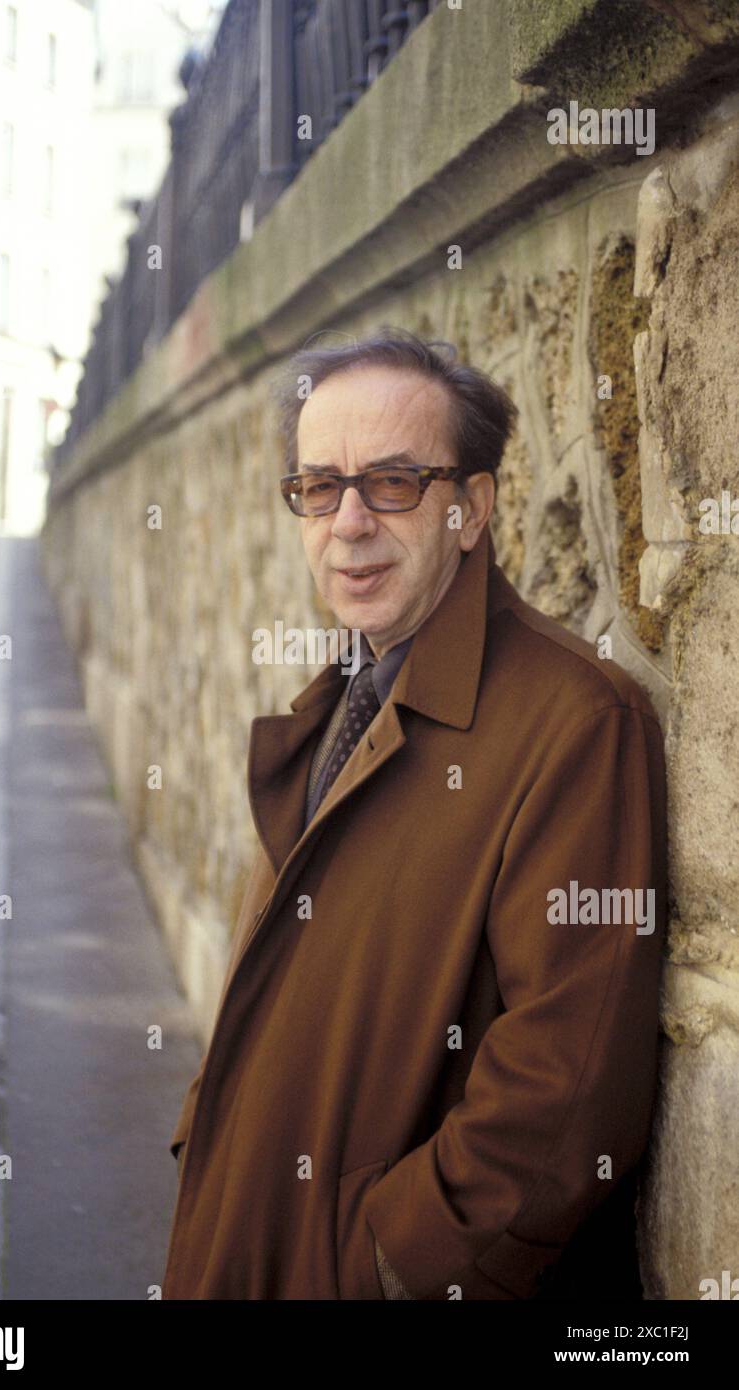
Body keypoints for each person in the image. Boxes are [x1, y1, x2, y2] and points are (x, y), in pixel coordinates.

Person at [162, 328, 667, 1300]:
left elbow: (564, 1096)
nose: (346, 522)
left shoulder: (572, 721)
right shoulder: (343, 698)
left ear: (469, 508)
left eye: (391, 483)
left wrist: (382, 1264)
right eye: (317, 487)